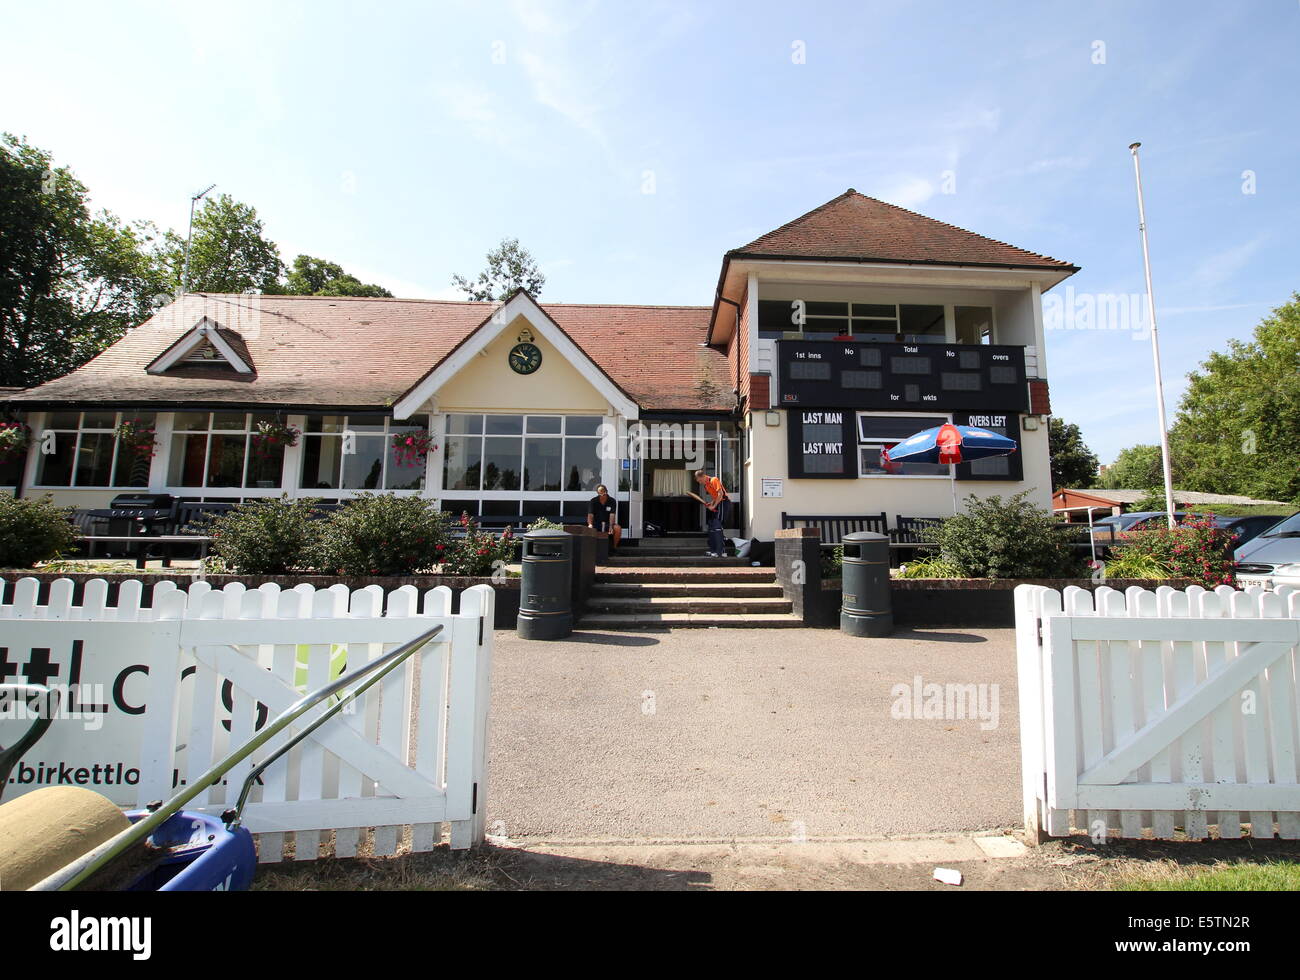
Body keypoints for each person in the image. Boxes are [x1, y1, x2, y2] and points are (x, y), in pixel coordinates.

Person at [692, 469, 729, 557]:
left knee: (717, 525)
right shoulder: (706, 486)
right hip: (718, 503)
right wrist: (712, 503)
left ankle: (721, 552)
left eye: (700, 480)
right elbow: (715, 496)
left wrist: (714, 506)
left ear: (703, 476)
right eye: (698, 481)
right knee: (712, 525)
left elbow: (720, 494)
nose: (700, 482)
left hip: (724, 503)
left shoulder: (714, 480)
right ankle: (714, 550)